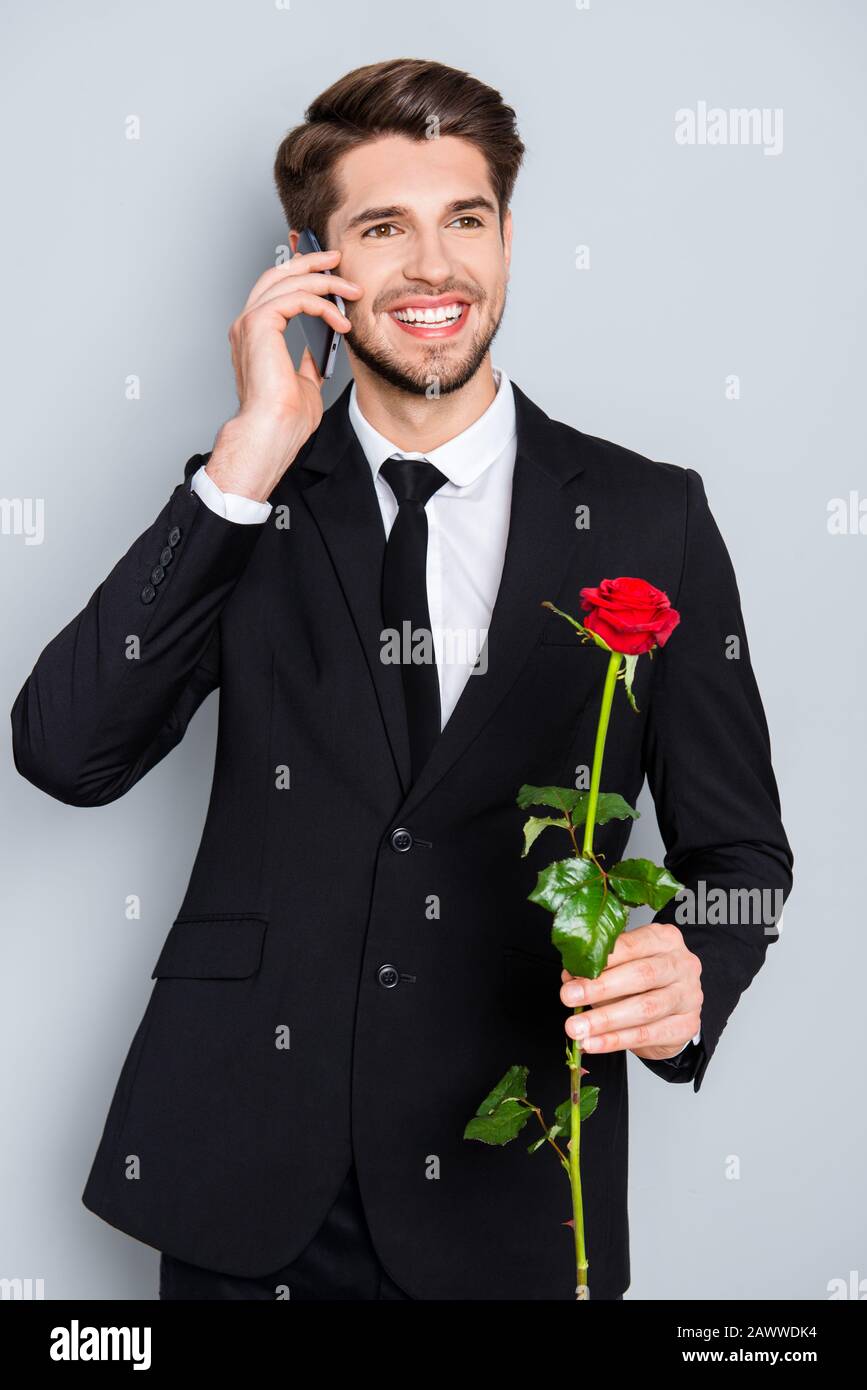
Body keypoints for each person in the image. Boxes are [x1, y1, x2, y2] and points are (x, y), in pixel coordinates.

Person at [10, 57, 793, 1301]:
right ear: (312, 264)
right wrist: (251, 451)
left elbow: (742, 856)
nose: (434, 269)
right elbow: (65, 752)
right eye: (385, 229)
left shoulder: (655, 519)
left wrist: (692, 971)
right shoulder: (248, 501)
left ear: (509, 238)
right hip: (245, 1182)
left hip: (513, 1177)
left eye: (465, 221)